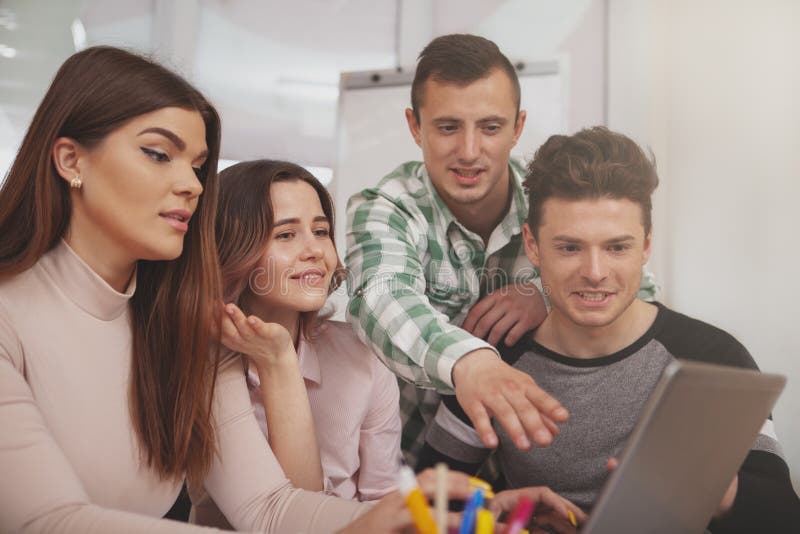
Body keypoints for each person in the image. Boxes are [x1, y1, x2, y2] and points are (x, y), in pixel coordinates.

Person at [0, 45, 470, 534]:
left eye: (198, 166)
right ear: (71, 160)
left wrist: (426, 522)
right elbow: (45, 521)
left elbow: (270, 509)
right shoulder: (9, 318)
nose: (193, 185)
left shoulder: (187, 327)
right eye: (159, 154)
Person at [417, 126, 800, 532]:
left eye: (617, 247)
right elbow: (425, 508)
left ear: (646, 245)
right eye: (569, 248)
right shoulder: (495, 362)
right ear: (532, 245)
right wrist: (499, 512)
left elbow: (784, 517)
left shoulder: (714, 358)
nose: (595, 273)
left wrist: (717, 490)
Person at [345, 33, 658, 466]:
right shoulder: (385, 207)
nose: (470, 152)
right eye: (448, 127)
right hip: (418, 468)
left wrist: (547, 295)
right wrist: (471, 363)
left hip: (543, 466)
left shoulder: (553, 198)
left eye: (490, 127)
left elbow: (640, 290)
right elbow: (380, 299)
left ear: (518, 127)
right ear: (415, 126)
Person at [190, 160, 402, 526]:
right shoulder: (203, 369)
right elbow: (288, 516)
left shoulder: (363, 357)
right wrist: (279, 362)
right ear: (229, 250)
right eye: (285, 235)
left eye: (321, 231)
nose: (315, 250)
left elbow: (384, 499)